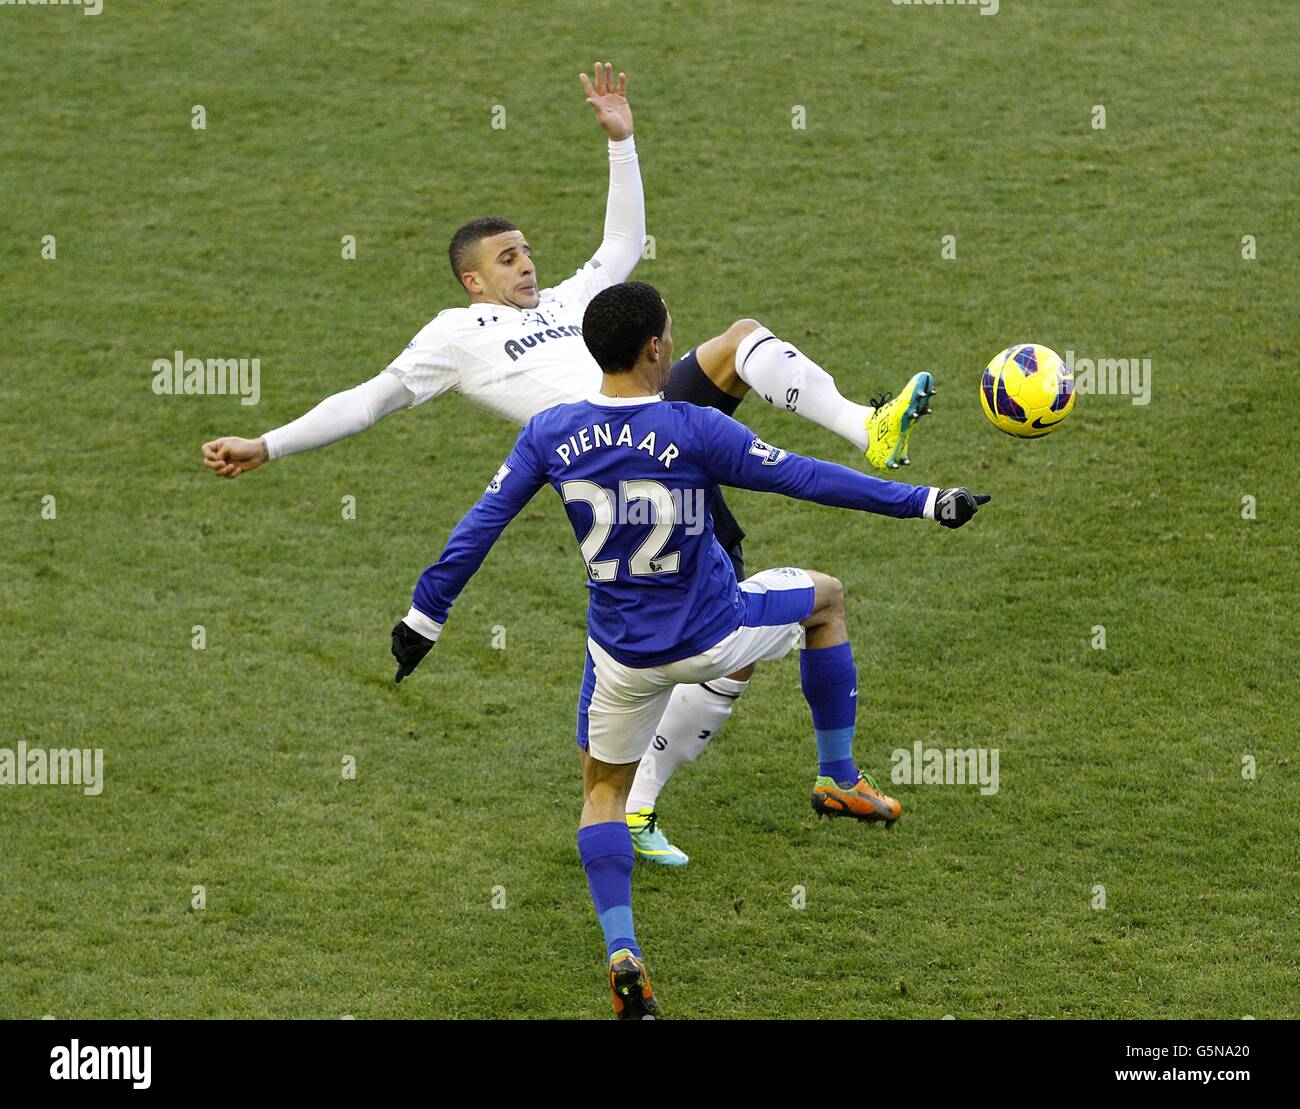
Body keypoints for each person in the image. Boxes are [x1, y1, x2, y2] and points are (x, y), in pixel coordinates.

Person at [201, 63, 935, 867]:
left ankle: (869, 425)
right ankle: (650, 802)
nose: (526, 265)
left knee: (741, 342)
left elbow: (621, 245)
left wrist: (622, 144)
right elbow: (368, 400)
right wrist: (267, 443)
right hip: (618, 460)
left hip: (662, 427)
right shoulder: (454, 334)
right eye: (508, 258)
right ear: (472, 278)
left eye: (527, 252)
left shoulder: (565, 304)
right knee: (728, 620)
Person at [389, 281, 989, 1018]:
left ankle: (621, 948)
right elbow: (806, 479)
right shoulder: (695, 430)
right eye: (670, 330)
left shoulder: (548, 433)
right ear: (655, 348)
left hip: (622, 660)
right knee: (826, 600)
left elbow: (479, 527)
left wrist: (426, 615)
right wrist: (925, 500)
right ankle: (838, 777)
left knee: (602, 793)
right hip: (717, 635)